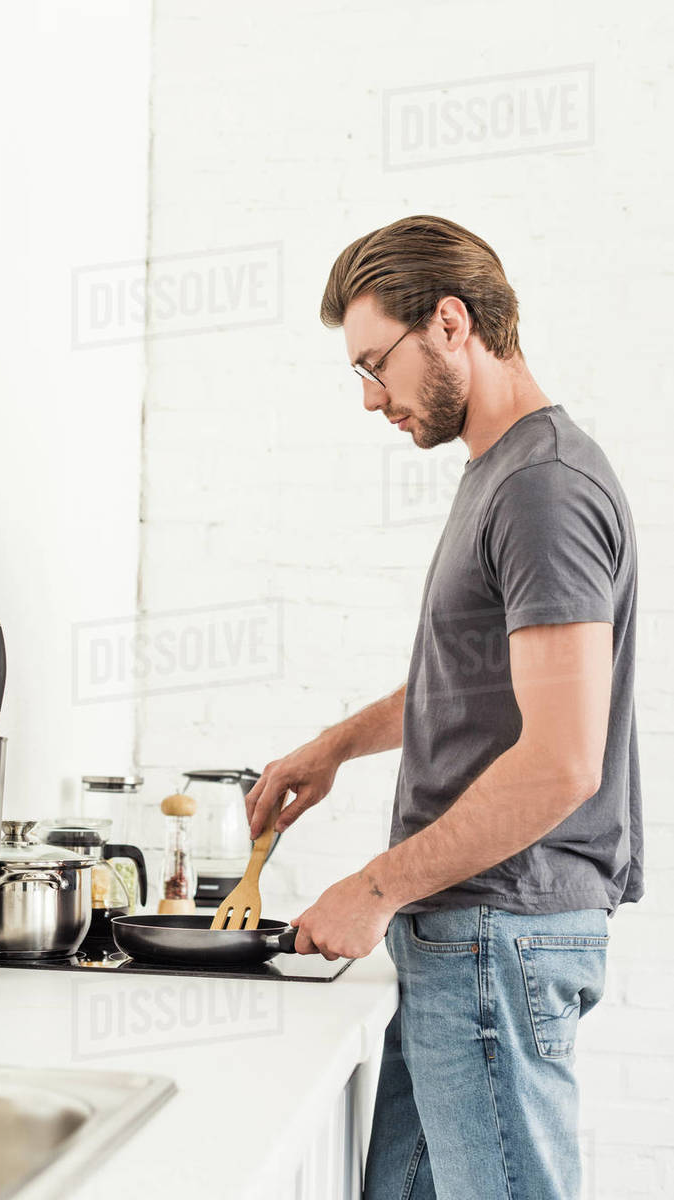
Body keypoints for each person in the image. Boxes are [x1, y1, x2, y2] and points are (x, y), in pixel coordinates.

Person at [244, 215, 643, 1200]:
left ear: (452, 322)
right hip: (466, 939)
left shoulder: (543, 488)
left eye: (378, 364)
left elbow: (563, 763)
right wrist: (335, 746)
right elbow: (473, 689)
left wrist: (375, 888)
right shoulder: (501, 473)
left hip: (496, 940)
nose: (373, 398)